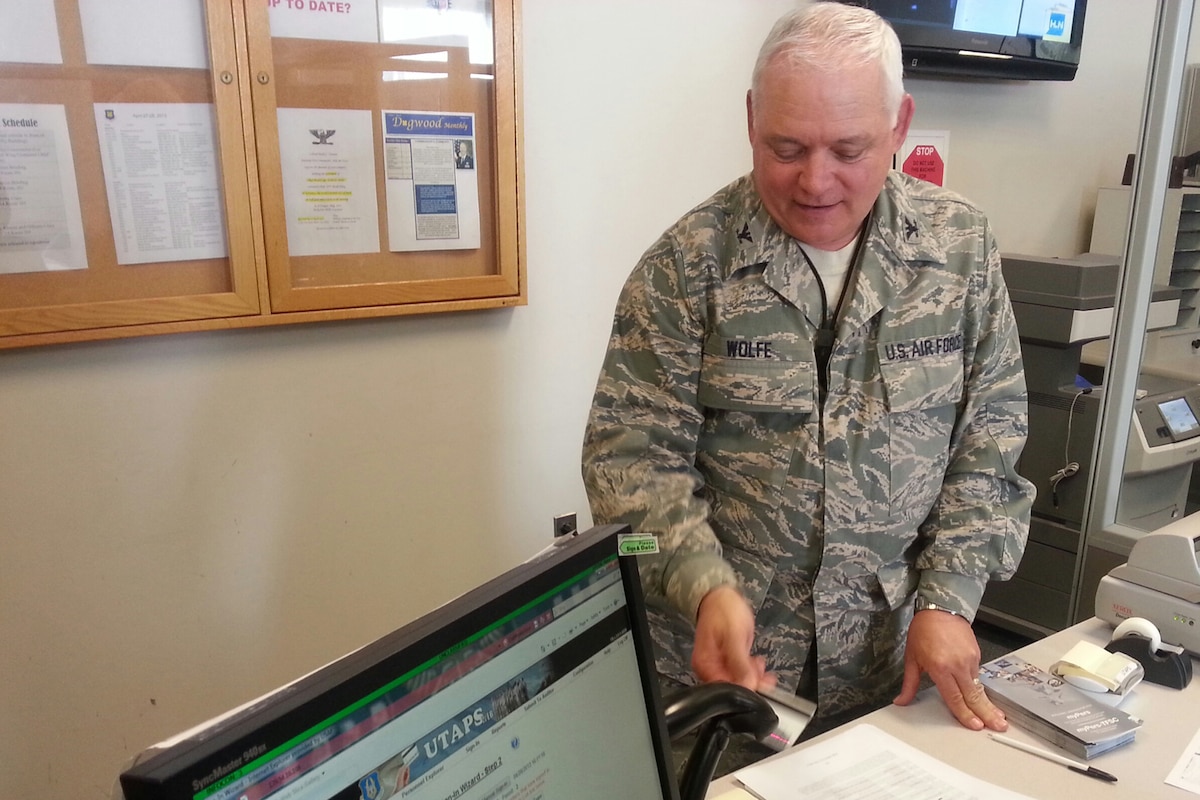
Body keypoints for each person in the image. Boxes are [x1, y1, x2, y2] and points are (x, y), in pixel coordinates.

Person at [581, 0, 1035, 755]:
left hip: (893, 670)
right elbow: (629, 465)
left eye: (850, 150)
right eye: (785, 147)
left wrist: (952, 599)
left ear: (899, 127)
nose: (815, 182)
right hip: (730, 678)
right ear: (751, 118)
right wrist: (702, 585)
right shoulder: (687, 267)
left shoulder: (959, 250)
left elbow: (990, 438)